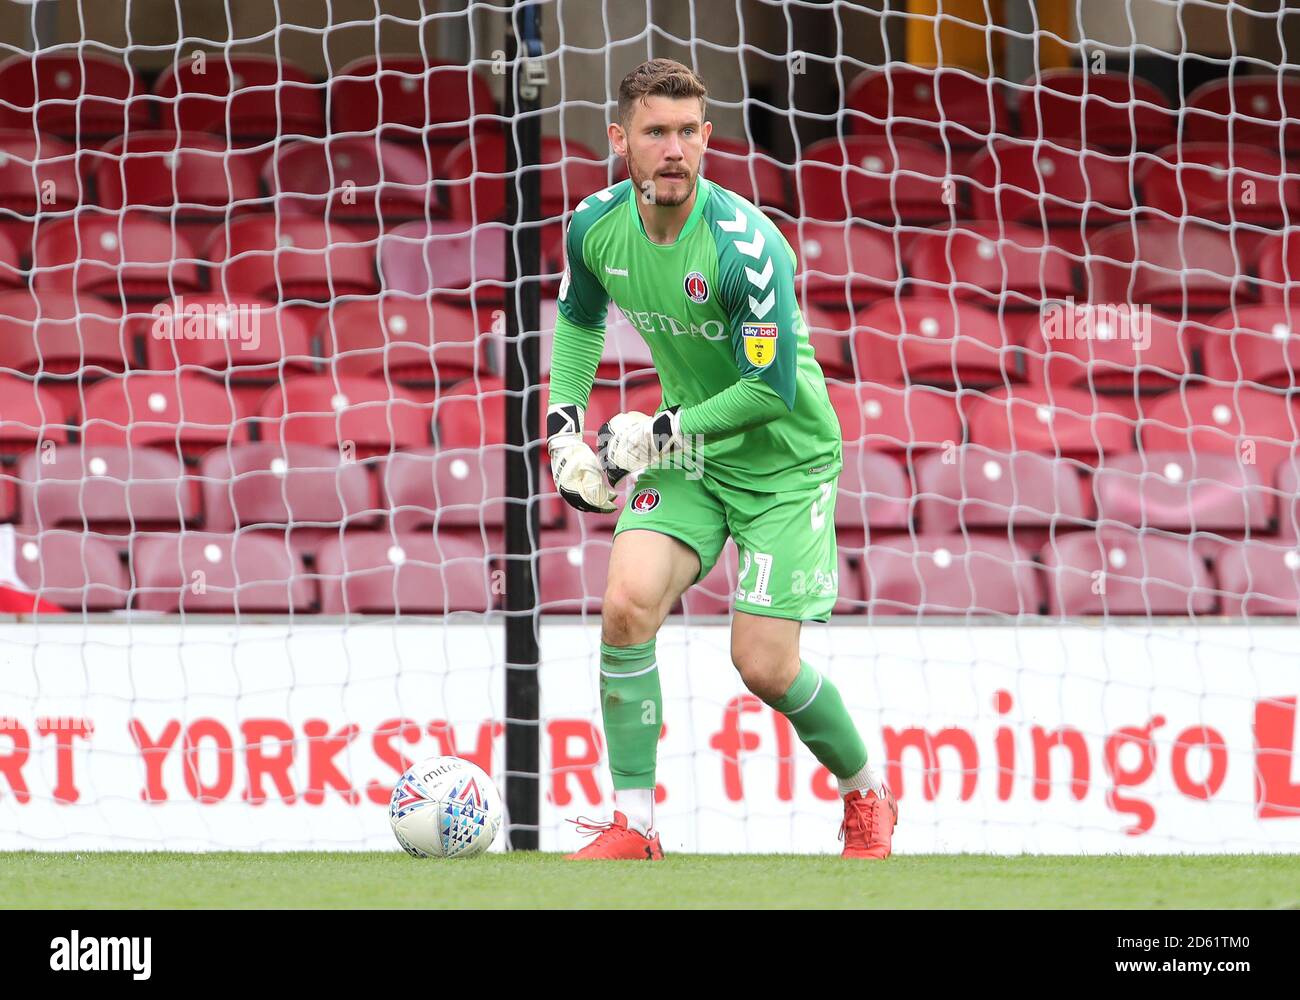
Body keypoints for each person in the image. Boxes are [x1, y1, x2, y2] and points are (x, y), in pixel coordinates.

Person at [545, 57, 896, 860]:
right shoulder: (595, 225)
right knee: (626, 604)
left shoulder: (749, 248)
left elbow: (768, 391)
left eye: (686, 133)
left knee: (763, 666)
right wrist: (565, 427)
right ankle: (636, 825)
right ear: (621, 141)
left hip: (783, 461)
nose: (672, 149)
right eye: (654, 133)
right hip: (695, 455)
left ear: (706, 139)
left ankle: (865, 791)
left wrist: (657, 432)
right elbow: (579, 318)